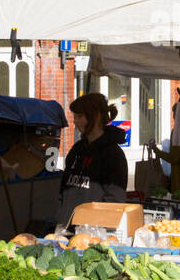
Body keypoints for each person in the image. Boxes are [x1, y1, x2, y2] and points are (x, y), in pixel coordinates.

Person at [55, 92, 129, 231]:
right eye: (74, 117)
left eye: (80, 116)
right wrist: (60, 221)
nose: (75, 121)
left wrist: (94, 230)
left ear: (95, 116)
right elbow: (63, 191)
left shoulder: (113, 155)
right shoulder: (77, 149)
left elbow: (114, 201)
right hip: (66, 231)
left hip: (93, 234)